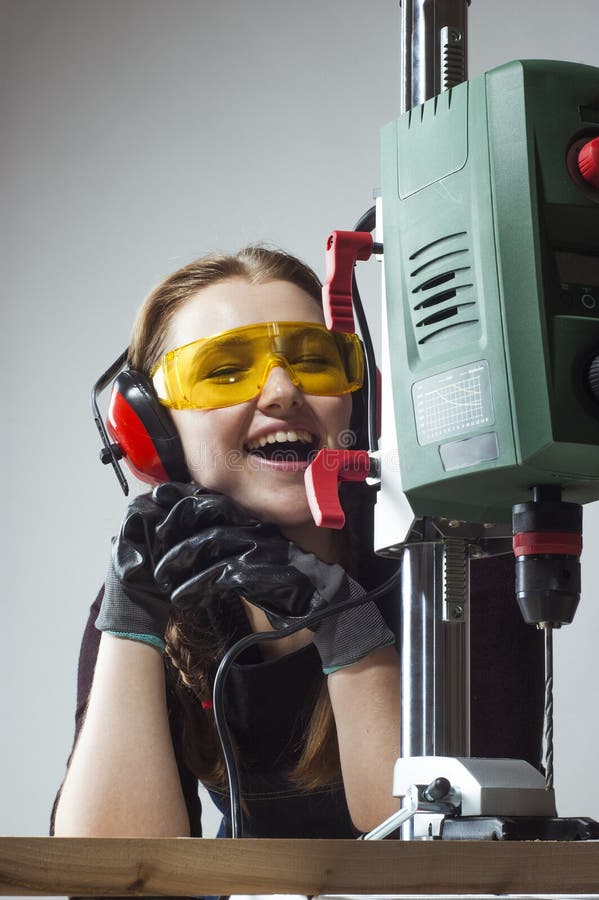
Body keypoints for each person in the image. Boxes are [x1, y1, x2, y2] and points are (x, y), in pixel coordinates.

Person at [51, 244, 545, 844]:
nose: (283, 391)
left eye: (315, 362)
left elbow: (426, 844)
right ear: (153, 431)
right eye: (226, 370)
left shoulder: (459, 560)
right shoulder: (156, 591)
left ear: (359, 399)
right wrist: (130, 619)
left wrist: (345, 624)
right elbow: (114, 860)